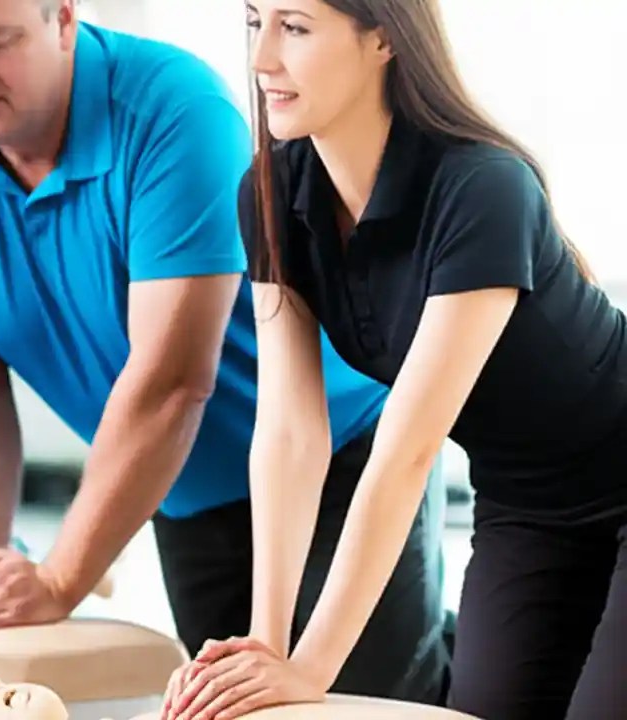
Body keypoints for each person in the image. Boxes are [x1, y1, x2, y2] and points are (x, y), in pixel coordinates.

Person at [0, 0, 448, 705]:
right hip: (182, 485)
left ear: (61, 19)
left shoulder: (175, 109)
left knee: (371, 698)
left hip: (338, 455)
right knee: (232, 705)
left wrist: (58, 579)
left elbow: (172, 382)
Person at [164, 1, 627, 719]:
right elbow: (289, 431)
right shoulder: (271, 189)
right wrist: (268, 641)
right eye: (257, 22)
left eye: (295, 26)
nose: (261, 61)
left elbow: (406, 455)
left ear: (383, 36)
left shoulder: (483, 189)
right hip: (525, 506)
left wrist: (312, 667)